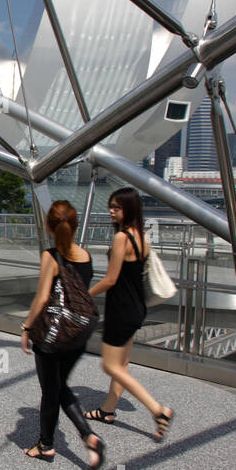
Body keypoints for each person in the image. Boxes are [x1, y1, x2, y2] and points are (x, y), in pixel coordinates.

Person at [20, 200, 104, 469]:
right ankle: (87, 436)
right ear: (76, 224)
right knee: (59, 386)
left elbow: (43, 297)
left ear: (49, 226)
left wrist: (26, 328)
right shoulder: (86, 256)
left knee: (50, 391)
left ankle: (46, 445)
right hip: (78, 333)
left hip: (52, 335)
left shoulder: (51, 256)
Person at [85, 187, 174, 441]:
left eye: (117, 207)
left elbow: (111, 279)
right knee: (122, 364)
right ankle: (107, 410)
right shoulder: (141, 237)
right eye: (110, 206)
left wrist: (84, 295)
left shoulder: (121, 238)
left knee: (110, 366)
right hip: (137, 309)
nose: (111, 211)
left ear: (129, 208)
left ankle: (158, 410)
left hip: (120, 310)